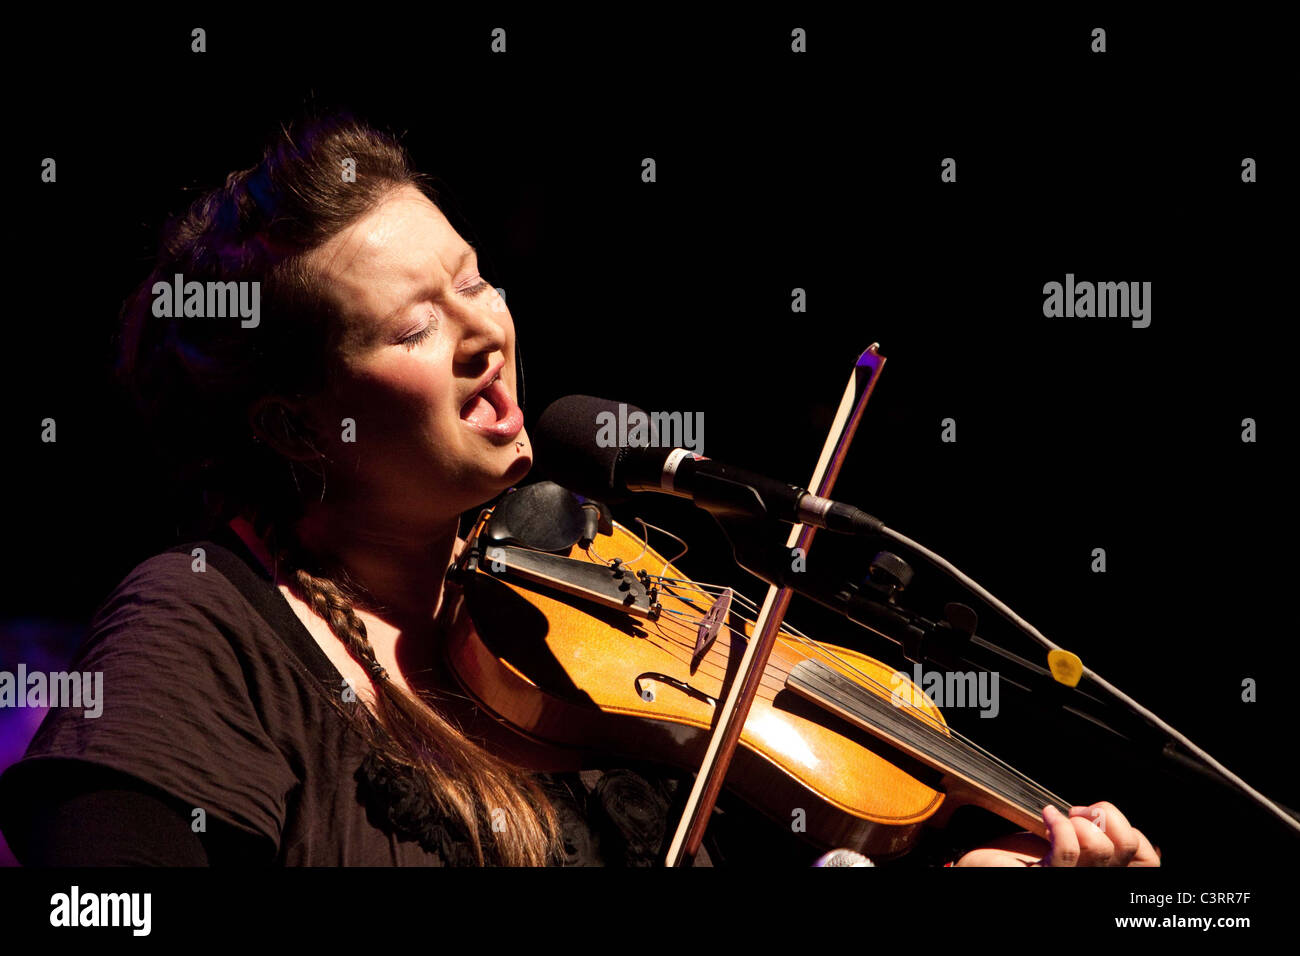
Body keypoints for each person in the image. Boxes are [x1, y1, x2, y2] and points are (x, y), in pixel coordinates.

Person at [0, 113, 1159, 867]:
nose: (484, 335)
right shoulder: (202, 621)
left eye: (475, 282)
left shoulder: (579, 620)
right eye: (415, 323)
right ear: (298, 422)